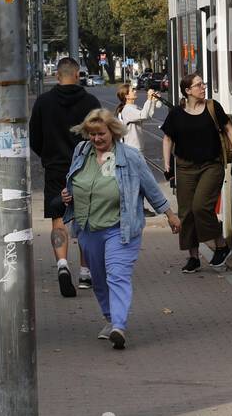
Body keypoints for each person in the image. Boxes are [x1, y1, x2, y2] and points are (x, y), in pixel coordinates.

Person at [60, 109, 181, 349]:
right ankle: (109, 317)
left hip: (120, 227)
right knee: (100, 279)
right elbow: (73, 180)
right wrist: (67, 195)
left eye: (101, 133)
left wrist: (170, 214)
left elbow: (150, 187)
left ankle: (119, 325)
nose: (96, 139)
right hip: (88, 227)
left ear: (113, 132)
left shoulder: (129, 156)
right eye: (92, 134)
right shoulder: (81, 152)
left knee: (117, 274)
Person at [29, 56, 100, 296]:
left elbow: (34, 138)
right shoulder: (90, 101)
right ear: (78, 74)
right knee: (85, 220)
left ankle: (61, 264)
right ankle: (85, 273)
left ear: (57, 76)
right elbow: (100, 134)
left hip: (55, 168)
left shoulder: (43, 102)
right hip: (86, 168)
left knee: (58, 218)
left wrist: (48, 156)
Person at [160, 74, 232, 273]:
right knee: (186, 212)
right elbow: (167, 139)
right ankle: (193, 257)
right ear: (187, 91)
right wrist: (166, 165)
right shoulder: (176, 114)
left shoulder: (213, 107)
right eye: (198, 85)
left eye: (203, 84)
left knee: (200, 207)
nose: (203, 87)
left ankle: (221, 245)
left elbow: (229, 129)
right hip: (184, 167)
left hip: (211, 165)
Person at [116, 82, 160, 156]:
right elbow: (143, 115)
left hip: (137, 148)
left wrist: (152, 101)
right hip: (132, 149)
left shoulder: (133, 107)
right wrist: (149, 99)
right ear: (127, 96)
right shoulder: (127, 110)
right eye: (132, 90)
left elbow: (148, 116)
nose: (135, 91)